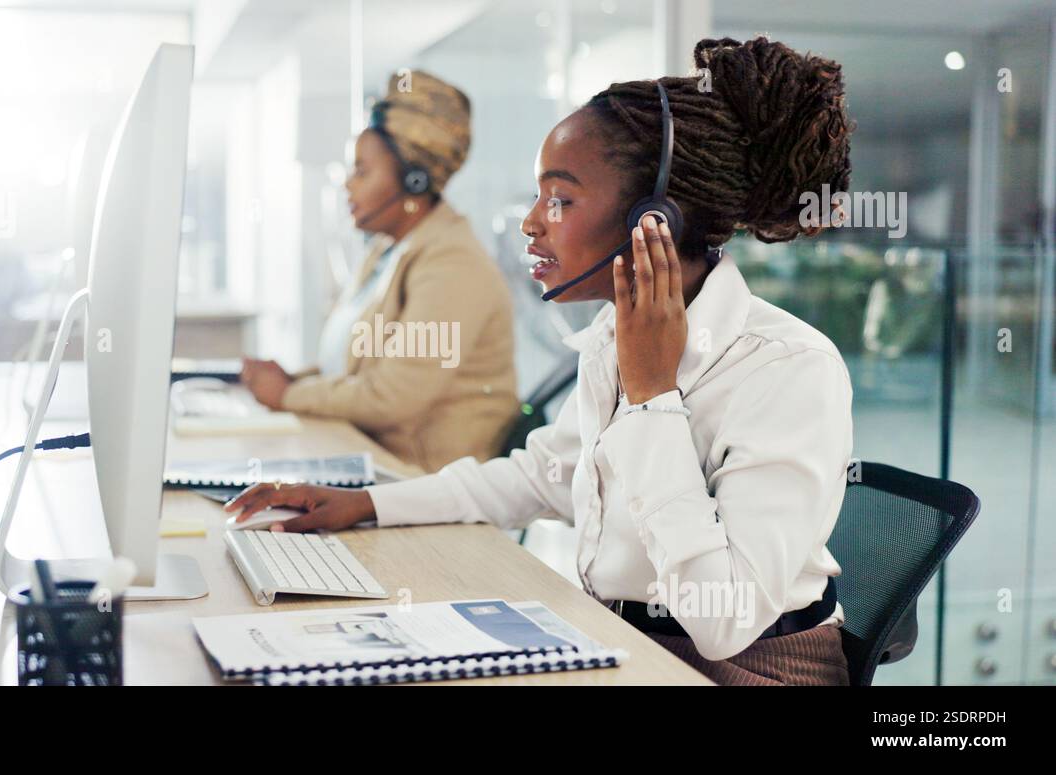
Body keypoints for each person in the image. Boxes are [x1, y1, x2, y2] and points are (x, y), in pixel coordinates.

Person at [227, 37, 856, 686]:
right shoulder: (619, 328)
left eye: (559, 198)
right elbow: (542, 475)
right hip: (619, 640)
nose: (531, 222)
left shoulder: (787, 367)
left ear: (654, 220)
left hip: (744, 670)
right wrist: (367, 504)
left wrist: (651, 398)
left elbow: (722, 618)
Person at [239, 70, 517, 473]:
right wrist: (294, 382)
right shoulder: (388, 249)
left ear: (414, 181)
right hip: (376, 464)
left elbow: (392, 397)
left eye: (362, 171)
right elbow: (358, 367)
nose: (348, 186)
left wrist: (287, 396)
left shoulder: (452, 264)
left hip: (424, 482)